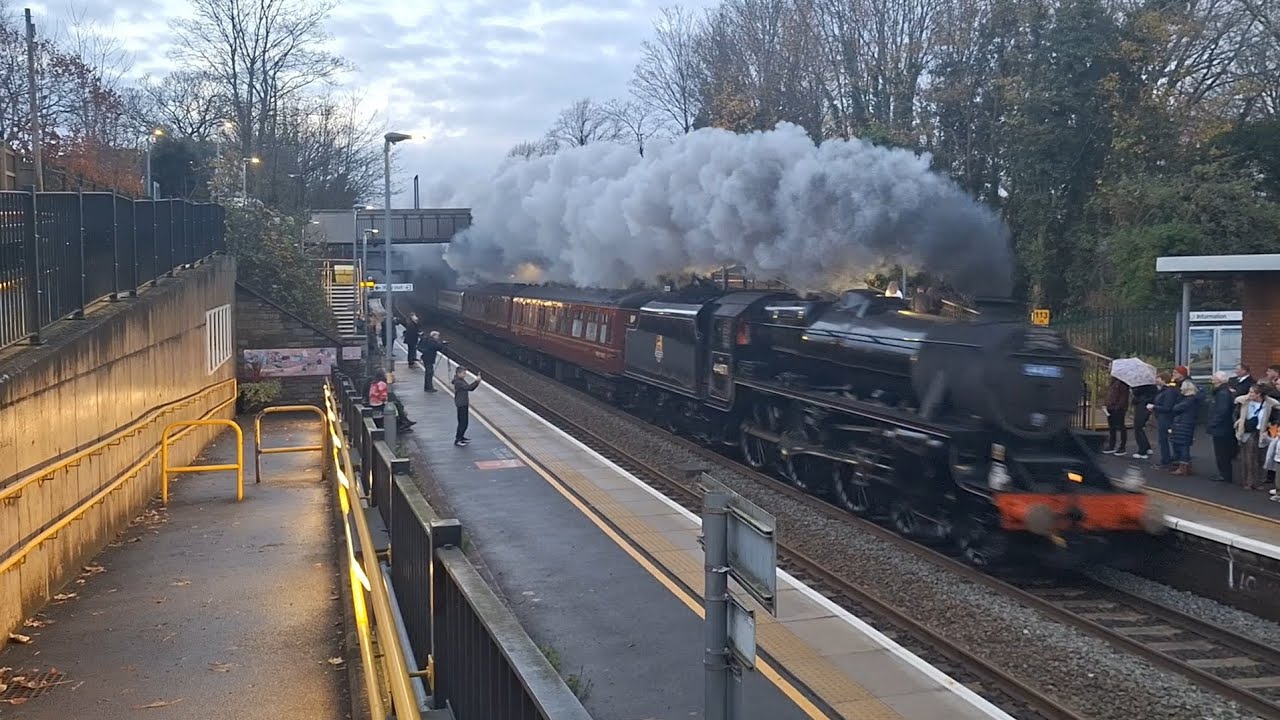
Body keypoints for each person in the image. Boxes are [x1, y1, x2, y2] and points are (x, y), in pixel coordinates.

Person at [1235, 382, 1278, 490]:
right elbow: (1236, 414)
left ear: (1259, 394)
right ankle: (1248, 482)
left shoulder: (1270, 404)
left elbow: (1275, 418)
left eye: (1252, 393)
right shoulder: (1243, 402)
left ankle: (1258, 482)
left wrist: (1269, 428)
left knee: (1260, 458)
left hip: (1261, 432)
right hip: (1247, 432)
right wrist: (1238, 423)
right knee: (1248, 458)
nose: (1249, 395)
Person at [1205, 371, 1236, 483]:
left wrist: (1212, 423)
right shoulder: (1223, 392)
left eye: (1213, 377)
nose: (1211, 379)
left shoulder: (1222, 394)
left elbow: (1221, 411)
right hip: (1223, 427)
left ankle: (1225, 475)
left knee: (1222, 453)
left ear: (1219, 380)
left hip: (1221, 428)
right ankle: (1223, 473)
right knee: (1222, 452)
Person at [1169, 379, 1201, 476]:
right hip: (1186, 424)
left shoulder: (1188, 400)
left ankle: (1183, 468)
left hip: (1183, 424)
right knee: (1183, 445)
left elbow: (1176, 408)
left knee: (1183, 446)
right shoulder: (1193, 399)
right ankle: (1185, 466)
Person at [1150, 371, 1178, 469]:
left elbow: (1167, 407)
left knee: (1164, 440)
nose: (1156, 380)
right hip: (1163, 417)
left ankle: (1166, 460)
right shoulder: (1166, 390)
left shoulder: (1168, 391)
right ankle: (1169, 459)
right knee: (1164, 439)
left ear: (1163, 379)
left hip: (1165, 418)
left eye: (1158, 378)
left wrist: (1154, 407)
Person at [452, 366, 482, 446]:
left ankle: (461, 437)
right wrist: (477, 381)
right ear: (458, 373)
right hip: (461, 404)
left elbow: (469, 388)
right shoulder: (458, 382)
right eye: (464, 373)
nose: (465, 375)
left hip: (463, 403)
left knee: (464, 422)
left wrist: (476, 382)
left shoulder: (460, 380)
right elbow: (469, 388)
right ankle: (458, 439)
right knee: (462, 422)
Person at [1130, 380, 1159, 460]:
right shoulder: (1152, 385)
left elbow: (1137, 394)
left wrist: (1134, 388)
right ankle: (1147, 447)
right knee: (1140, 427)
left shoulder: (1142, 384)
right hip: (1147, 406)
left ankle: (1142, 451)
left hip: (1142, 406)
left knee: (1138, 428)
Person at [1103, 377, 1130, 456]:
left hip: (1118, 409)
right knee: (1112, 427)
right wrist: (1106, 404)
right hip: (1111, 407)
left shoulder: (1123, 384)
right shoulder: (1113, 382)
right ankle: (1112, 445)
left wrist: (1117, 407)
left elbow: (1123, 397)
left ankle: (1122, 447)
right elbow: (1110, 395)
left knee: (1120, 426)